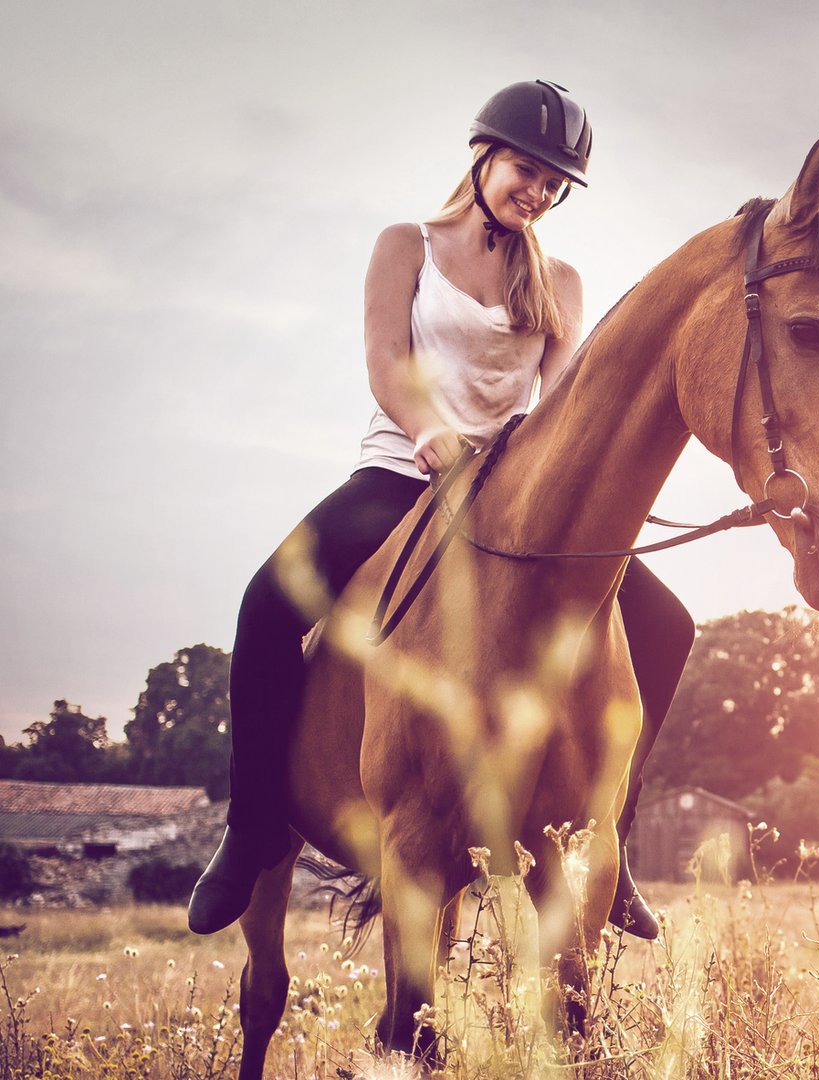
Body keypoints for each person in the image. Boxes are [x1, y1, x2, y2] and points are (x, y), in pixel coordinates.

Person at [188, 80, 690, 939]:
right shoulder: (406, 245)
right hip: (402, 475)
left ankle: (615, 841)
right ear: (484, 155)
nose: (537, 191)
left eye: (553, 183)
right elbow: (387, 361)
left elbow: (564, 401)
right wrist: (428, 432)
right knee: (266, 603)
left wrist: (575, 486)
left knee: (670, 623)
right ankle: (251, 828)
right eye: (527, 170)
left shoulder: (558, 280)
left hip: (510, 497)